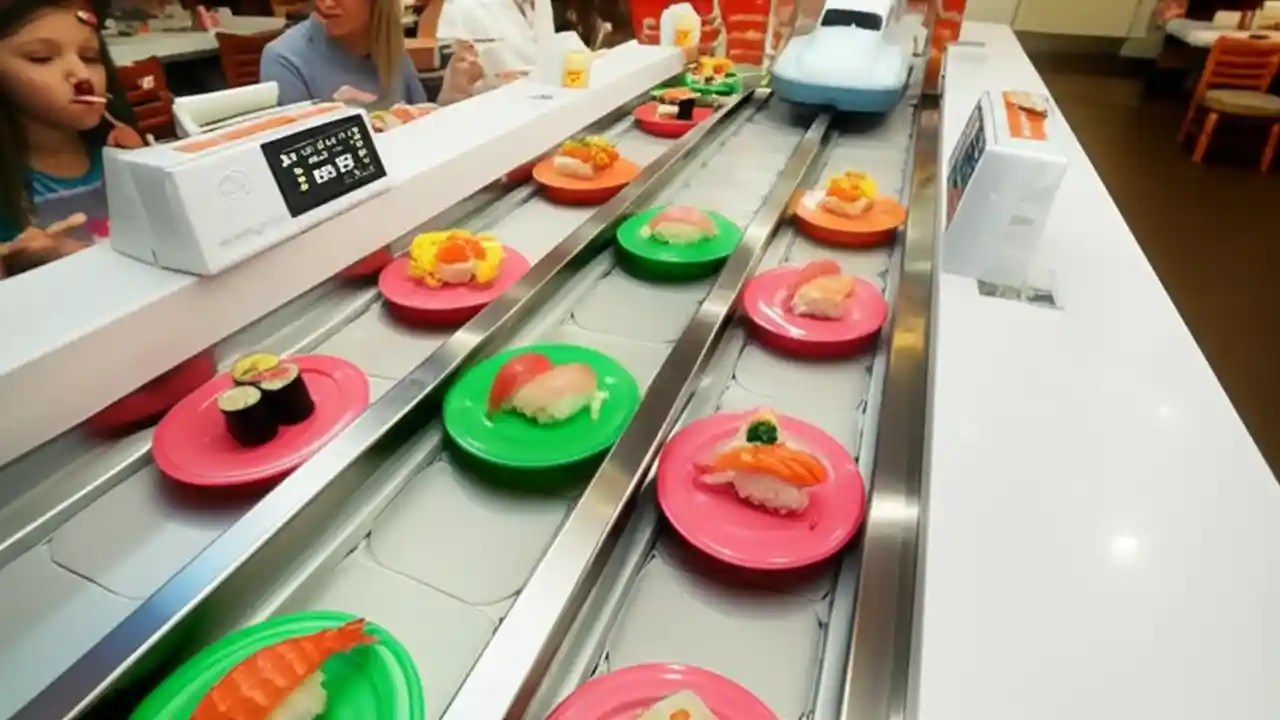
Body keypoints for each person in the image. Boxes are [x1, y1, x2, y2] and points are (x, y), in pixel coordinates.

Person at [0, 0, 143, 277]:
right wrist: (15, 268)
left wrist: (148, 171)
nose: (81, 75)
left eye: (90, 57)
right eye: (41, 57)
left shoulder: (117, 152)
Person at [261, 0, 480, 108]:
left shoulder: (389, 46)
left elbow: (417, 131)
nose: (326, 3)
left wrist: (451, 99)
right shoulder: (284, 60)